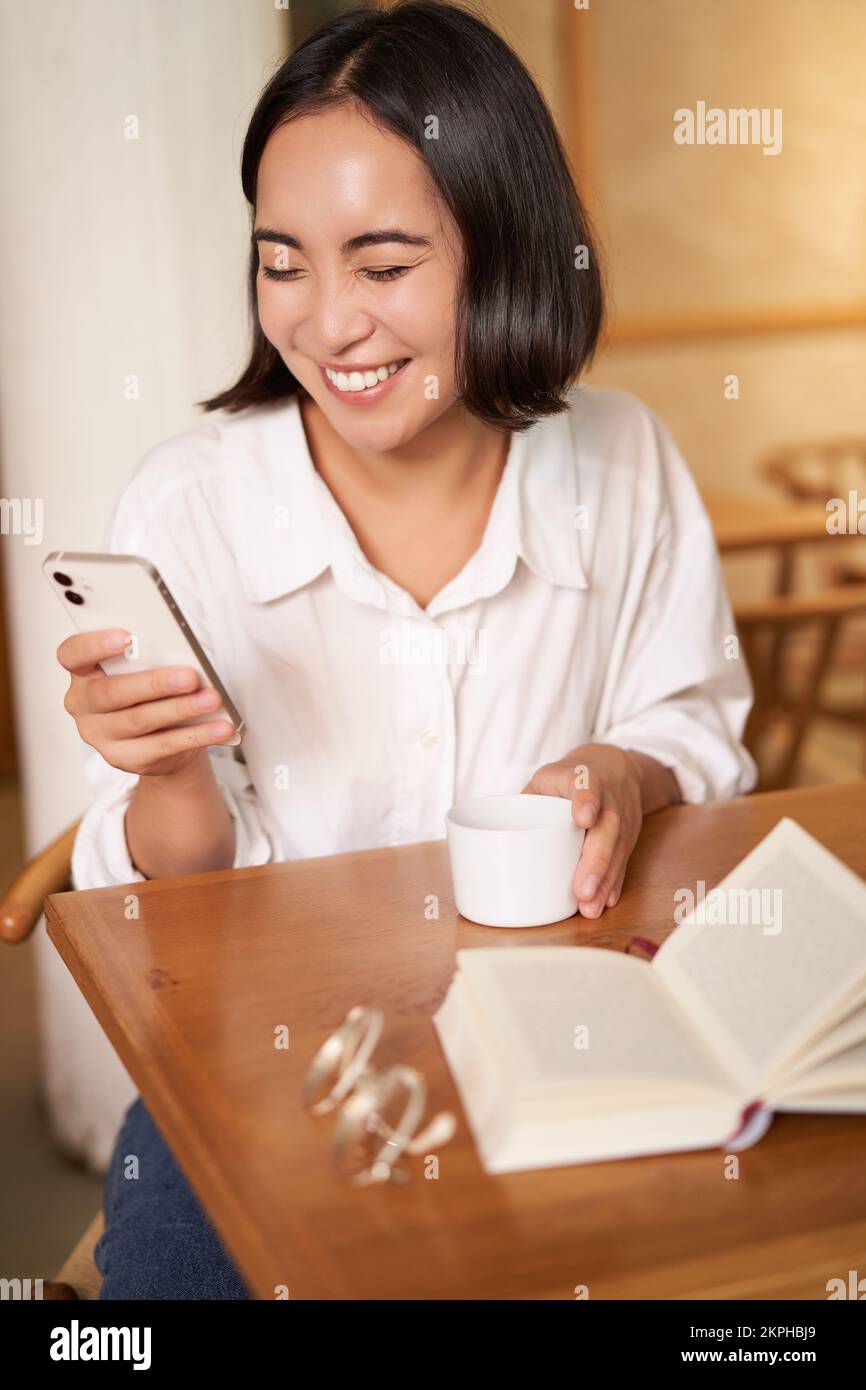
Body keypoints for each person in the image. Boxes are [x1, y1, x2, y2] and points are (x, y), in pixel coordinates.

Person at [56, 0, 757, 1299]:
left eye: (381, 267)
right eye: (283, 262)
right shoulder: (190, 506)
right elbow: (168, 912)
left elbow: (697, 732)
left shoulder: (620, 460)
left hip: (568, 1053)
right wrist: (164, 777)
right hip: (262, 1080)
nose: (326, 325)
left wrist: (627, 766)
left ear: (506, 250)